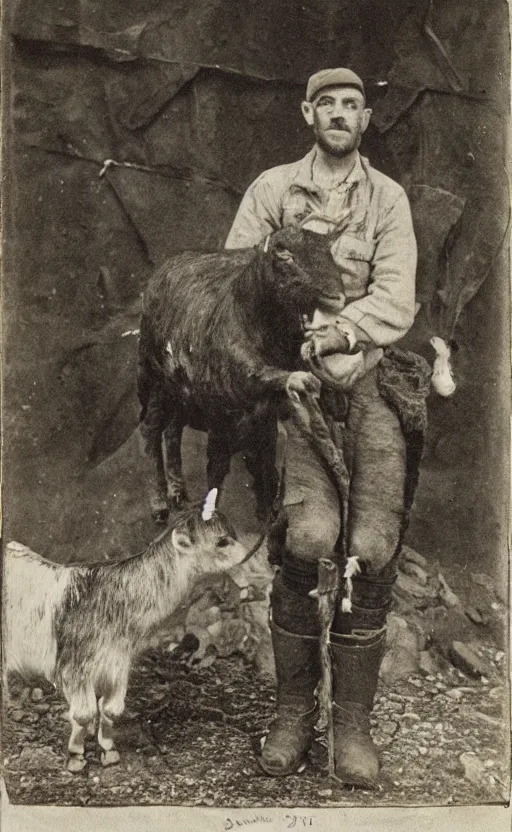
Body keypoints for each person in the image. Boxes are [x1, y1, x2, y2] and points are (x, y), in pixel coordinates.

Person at [225, 68, 419, 788]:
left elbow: (397, 295)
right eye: (327, 104)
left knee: (371, 544)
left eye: (352, 105)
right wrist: (290, 343)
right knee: (308, 539)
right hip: (297, 393)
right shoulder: (273, 191)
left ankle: (353, 726)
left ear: (366, 119)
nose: (339, 115)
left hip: (368, 385)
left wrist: (341, 334)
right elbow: (234, 281)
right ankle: (293, 712)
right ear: (307, 113)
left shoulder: (388, 200)